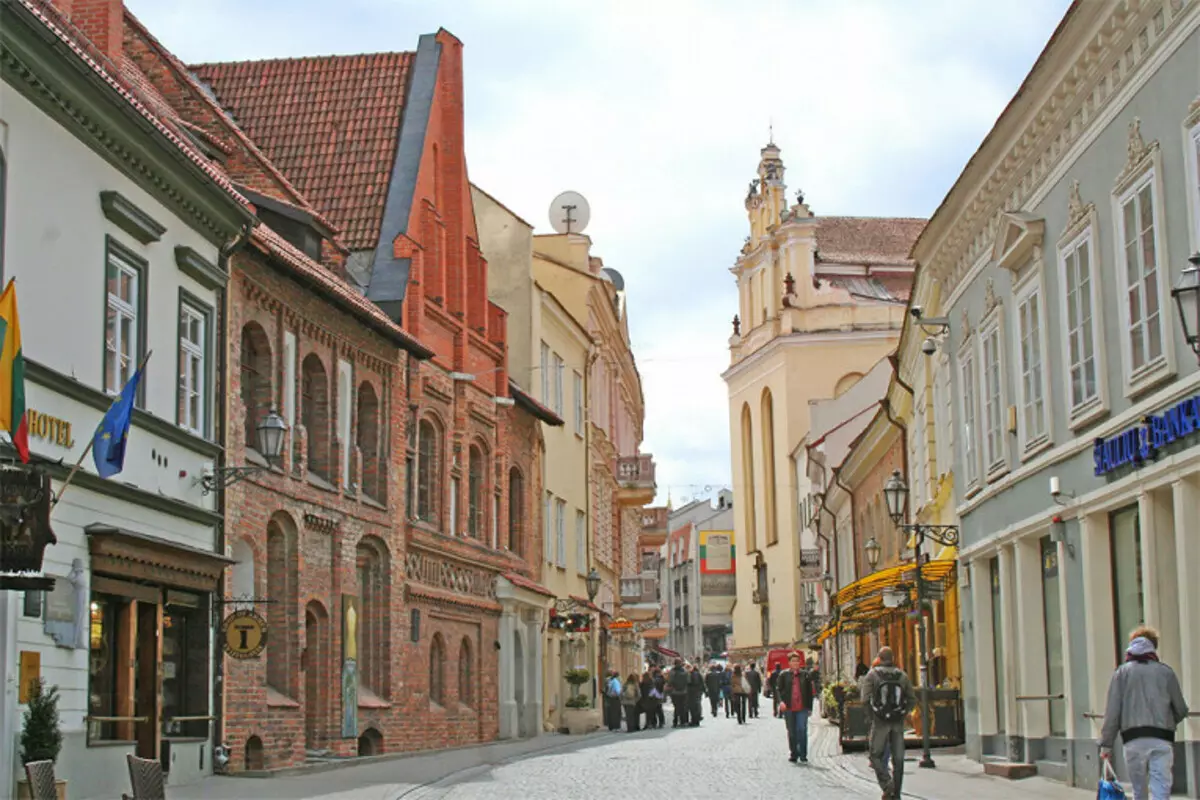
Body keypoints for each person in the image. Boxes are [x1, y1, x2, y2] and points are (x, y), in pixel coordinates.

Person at [1100, 626, 1189, 800]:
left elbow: (1112, 712)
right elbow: (1181, 709)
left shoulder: (1121, 673)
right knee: (1161, 786)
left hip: (1133, 740)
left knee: (1139, 789)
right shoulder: (1166, 672)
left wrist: (1106, 744)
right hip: (1162, 738)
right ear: (1154, 648)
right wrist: (1169, 722)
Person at [861, 647, 916, 799]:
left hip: (880, 722)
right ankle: (896, 794)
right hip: (897, 722)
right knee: (898, 759)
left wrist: (872, 716)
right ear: (893, 658)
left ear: (879, 658)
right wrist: (902, 713)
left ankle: (887, 785)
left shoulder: (872, 675)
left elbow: (864, 699)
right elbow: (912, 699)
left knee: (875, 755)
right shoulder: (902, 675)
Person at [777, 652, 816, 763]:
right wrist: (781, 702)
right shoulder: (783, 675)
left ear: (800, 662)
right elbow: (778, 690)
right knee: (792, 731)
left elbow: (810, 693)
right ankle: (794, 753)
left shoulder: (805, 675)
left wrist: (810, 708)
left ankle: (803, 754)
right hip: (789, 707)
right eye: (793, 661)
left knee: (802, 730)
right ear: (789, 663)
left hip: (802, 707)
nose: (795, 663)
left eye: (797, 661)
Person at [668, 659, 689, 728]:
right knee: (683, 707)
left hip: (675, 692)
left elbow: (670, 681)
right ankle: (683, 722)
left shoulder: (672, 671)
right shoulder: (685, 671)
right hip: (684, 692)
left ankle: (675, 722)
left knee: (676, 707)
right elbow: (688, 681)